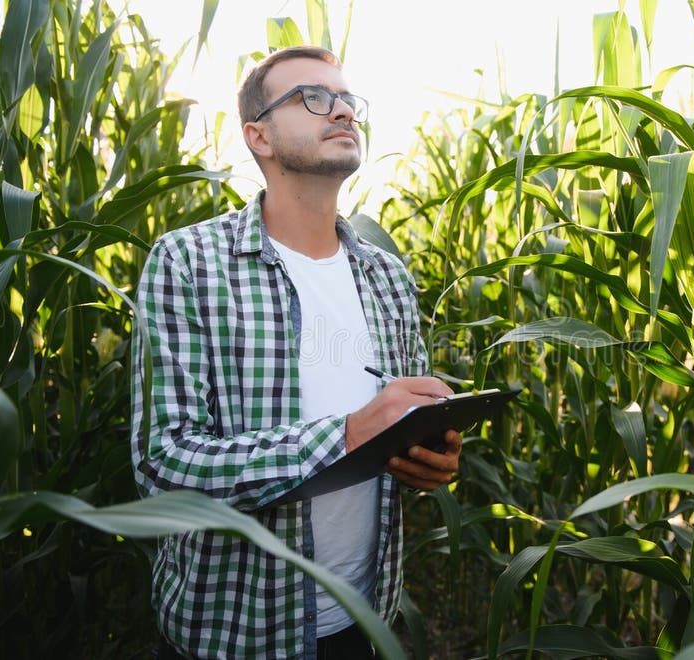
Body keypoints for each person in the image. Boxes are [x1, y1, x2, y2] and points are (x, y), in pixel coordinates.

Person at [130, 46, 462, 659]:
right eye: (313, 98)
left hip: (363, 620)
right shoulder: (188, 264)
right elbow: (164, 465)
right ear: (259, 136)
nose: (341, 111)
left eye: (346, 100)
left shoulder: (387, 277)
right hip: (236, 632)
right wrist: (349, 434)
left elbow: (395, 428)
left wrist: (425, 457)